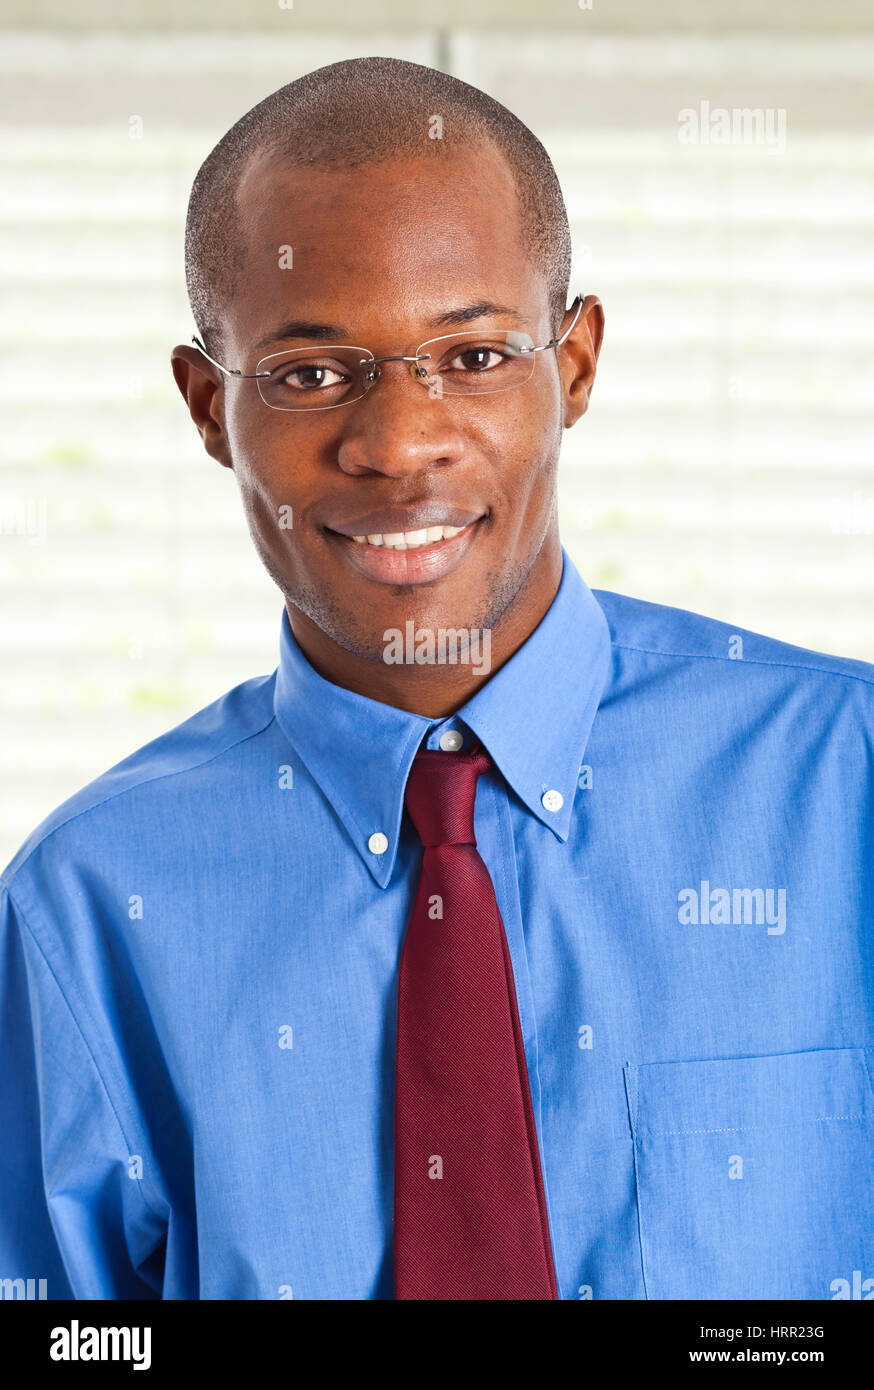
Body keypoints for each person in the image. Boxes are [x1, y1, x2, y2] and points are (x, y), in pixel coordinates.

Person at [1, 55, 872, 1302]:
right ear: (207, 407)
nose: (400, 444)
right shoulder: (85, 908)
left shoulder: (847, 787)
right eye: (310, 373)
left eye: (470, 358)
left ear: (572, 367)